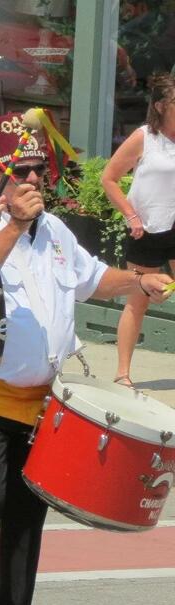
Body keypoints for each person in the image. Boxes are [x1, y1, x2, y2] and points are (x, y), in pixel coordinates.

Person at [0, 111, 173, 605]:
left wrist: (137, 280)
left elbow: (94, 280)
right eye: (23, 172)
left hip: (43, 401)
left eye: (40, 171)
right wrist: (13, 225)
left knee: (26, 512)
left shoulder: (58, 232)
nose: (36, 181)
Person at [102, 73, 175, 388]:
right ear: (160, 106)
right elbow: (109, 178)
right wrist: (131, 216)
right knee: (138, 300)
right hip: (144, 229)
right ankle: (123, 373)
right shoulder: (144, 137)